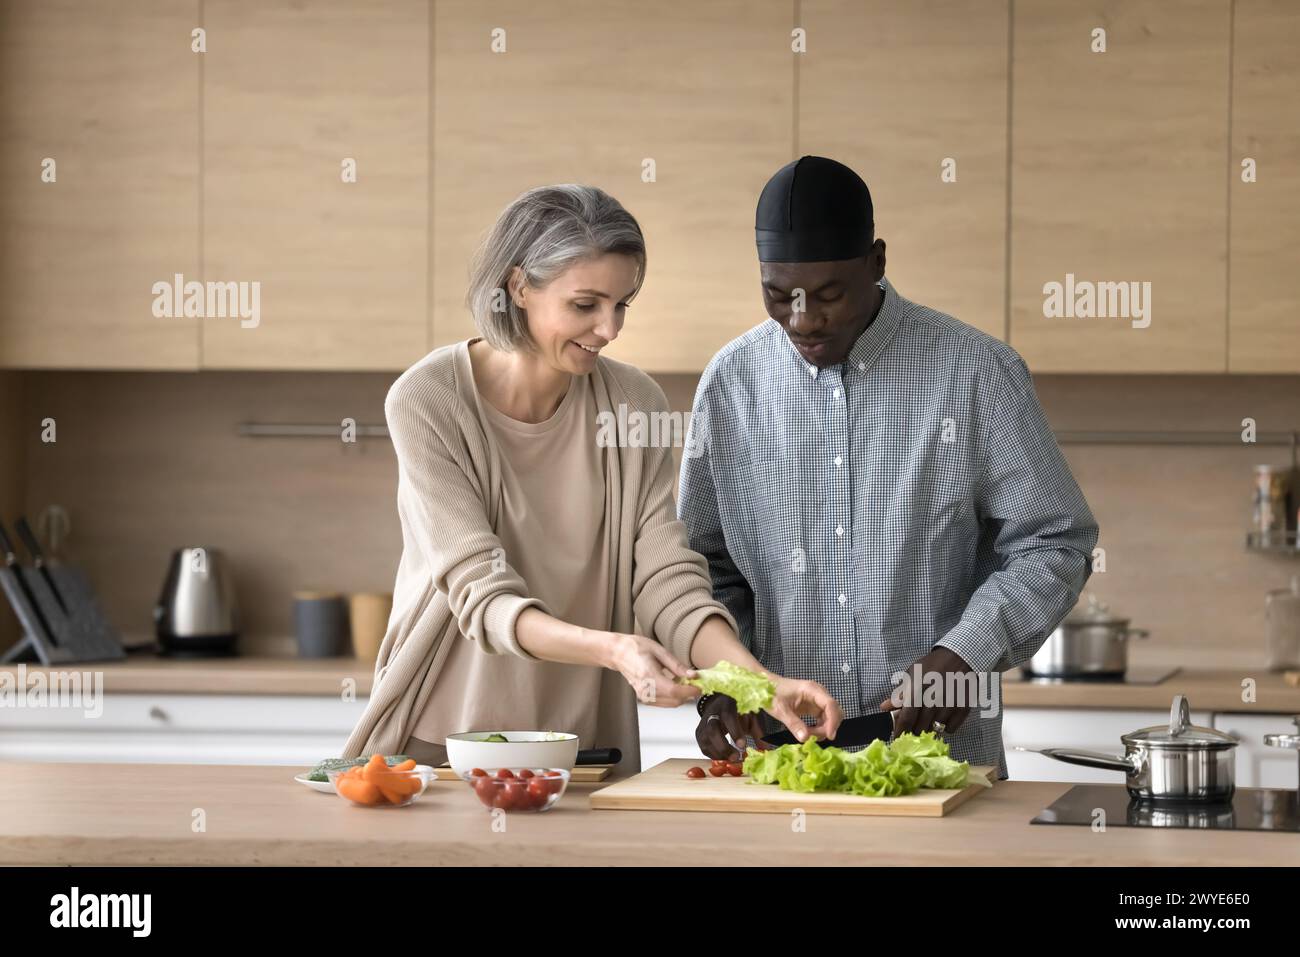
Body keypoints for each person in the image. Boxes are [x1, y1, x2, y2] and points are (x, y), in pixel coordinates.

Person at [343, 184, 840, 772]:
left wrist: (758, 682)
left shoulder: (634, 403)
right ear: (520, 287)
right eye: (586, 305)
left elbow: (666, 578)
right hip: (444, 740)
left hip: (582, 744)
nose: (609, 328)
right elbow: (481, 592)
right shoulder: (428, 400)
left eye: (622, 303)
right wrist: (615, 650)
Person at [680, 156, 1099, 776]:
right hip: (774, 767)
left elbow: (1053, 543)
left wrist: (964, 656)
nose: (804, 319)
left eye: (829, 295)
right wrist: (725, 681)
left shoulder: (978, 374)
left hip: (942, 771)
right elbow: (702, 564)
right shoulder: (730, 383)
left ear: (876, 262)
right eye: (779, 297)